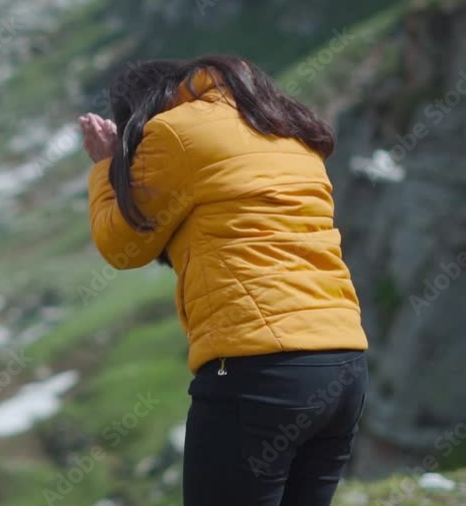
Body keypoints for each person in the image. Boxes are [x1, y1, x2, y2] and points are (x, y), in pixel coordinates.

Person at [78, 56, 370, 506]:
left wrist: (105, 165)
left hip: (260, 368)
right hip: (342, 366)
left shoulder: (173, 131)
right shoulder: (280, 126)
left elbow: (123, 245)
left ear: (139, 112)